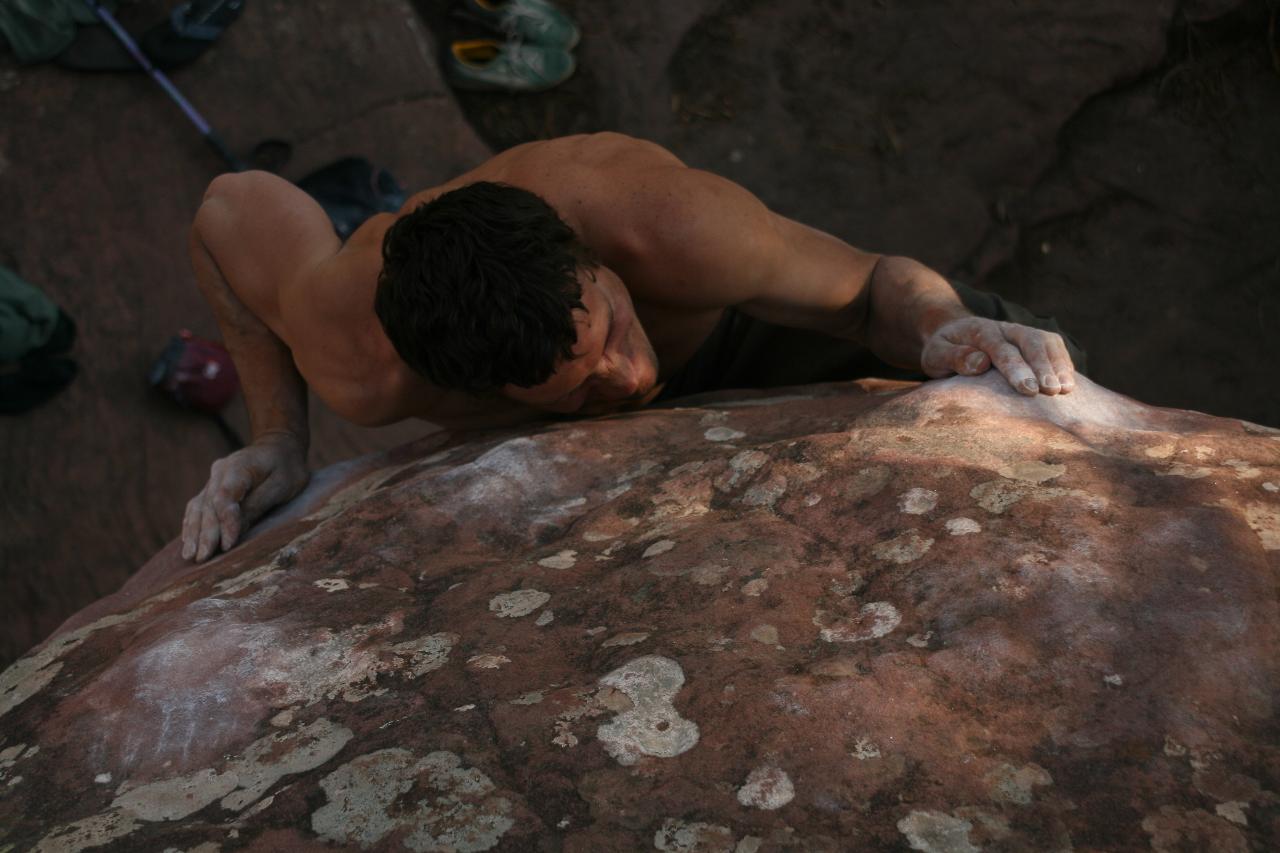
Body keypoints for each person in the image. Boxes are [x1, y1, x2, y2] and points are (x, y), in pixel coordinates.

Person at [181, 132, 1083, 563]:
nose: (633, 376)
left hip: (752, 335)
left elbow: (873, 284)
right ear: (472, 388)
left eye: (610, 328)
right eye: (573, 390)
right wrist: (278, 437)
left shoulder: (669, 229)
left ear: (596, 261)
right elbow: (223, 215)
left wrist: (940, 327)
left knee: (1024, 384)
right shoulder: (356, 360)